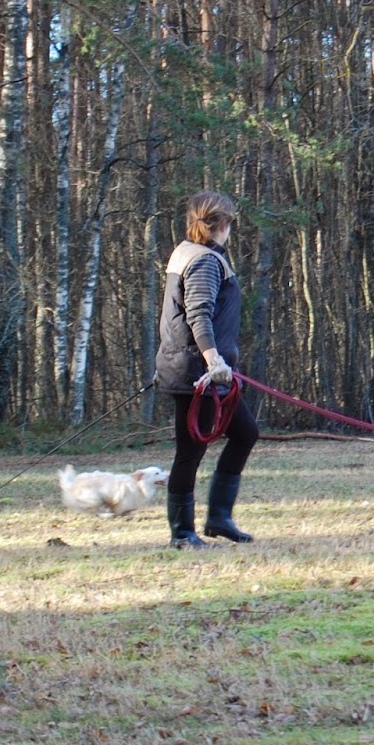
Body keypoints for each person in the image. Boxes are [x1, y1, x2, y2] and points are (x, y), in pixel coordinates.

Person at [153, 190, 260, 549]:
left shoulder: (189, 253)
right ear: (222, 224)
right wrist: (214, 361)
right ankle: (182, 533)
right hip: (197, 373)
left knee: (245, 433)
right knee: (190, 452)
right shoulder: (203, 262)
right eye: (230, 222)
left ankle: (218, 518)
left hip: (199, 367)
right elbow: (198, 315)